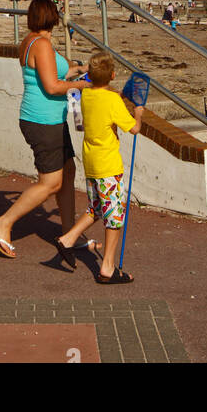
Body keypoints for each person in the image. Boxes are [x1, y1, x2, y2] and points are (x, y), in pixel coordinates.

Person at [0, 0, 87, 259]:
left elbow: (58, 73)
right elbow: (52, 86)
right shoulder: (40, 44)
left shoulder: (32, 40)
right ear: (51, 16)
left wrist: (83, 69)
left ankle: (69, 233)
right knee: (51, 182)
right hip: (43, 121)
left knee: (68, 171)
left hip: (50, 119)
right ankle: (3, 223)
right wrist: (85, 86)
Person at [57, 50, 144, 284]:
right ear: (113, 75)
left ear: (90, 75)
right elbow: (133, 129)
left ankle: (68, 239)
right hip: (108, 165)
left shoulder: (86, 95)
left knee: (96, 208)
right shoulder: (112, 100)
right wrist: (138, 113)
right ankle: (107, 267)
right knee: (115, 215)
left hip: (91, 162)